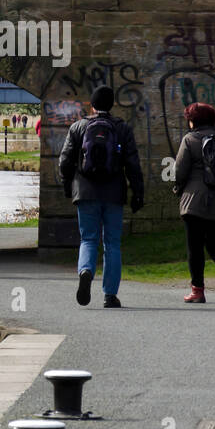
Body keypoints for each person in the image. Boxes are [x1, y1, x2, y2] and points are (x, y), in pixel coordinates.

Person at [58, 85, 145, 308]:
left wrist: (68, 185)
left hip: (85, 191)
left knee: (88, 239)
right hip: (113, 191)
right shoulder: (122, 129)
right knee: (112, 243)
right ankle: (110, 295)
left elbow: (65, 161)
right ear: (112, 105)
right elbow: (133, 164)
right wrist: (138, 192)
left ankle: (86, 271)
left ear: (92, 104)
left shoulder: (78, 127)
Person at [171, 102, 215, 303]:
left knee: (195, 248)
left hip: (194, 204)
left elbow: (180, 171)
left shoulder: (190, 139)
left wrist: (177, 189)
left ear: (193, 121)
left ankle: (197, 291)